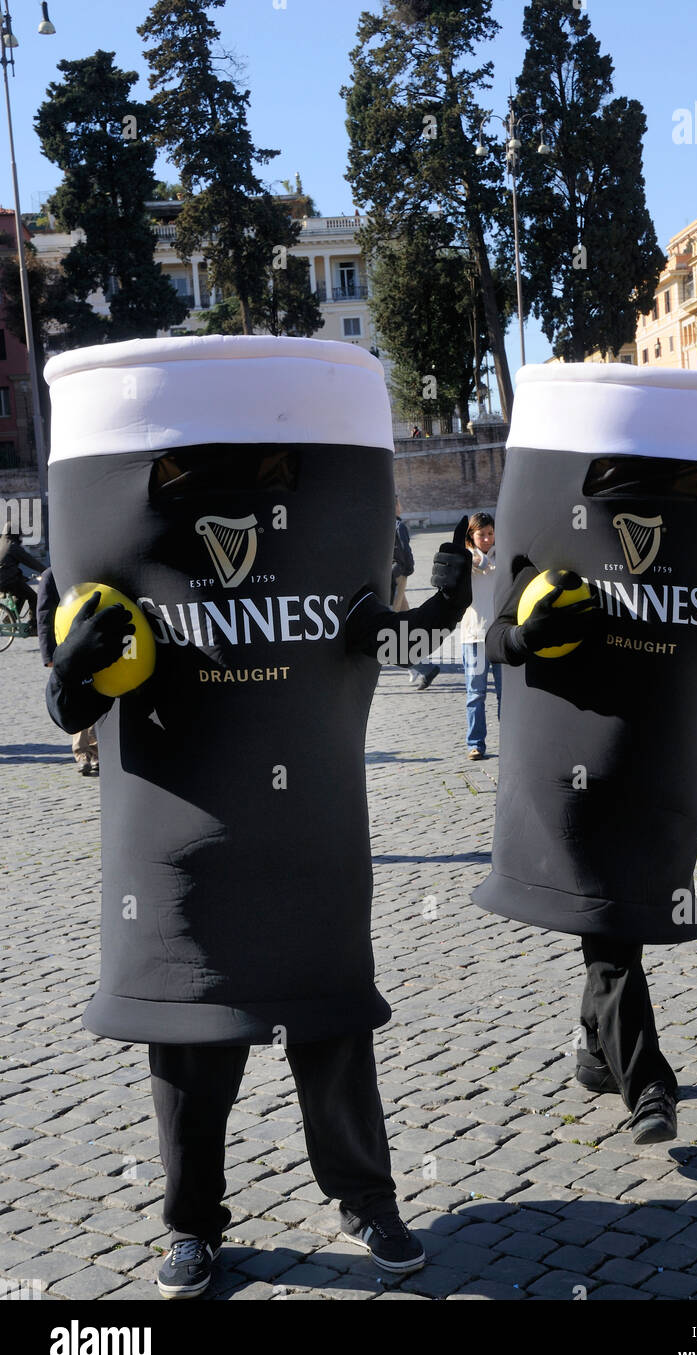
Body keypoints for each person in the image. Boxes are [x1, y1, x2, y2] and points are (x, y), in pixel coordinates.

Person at [43, 336, 472, 1299]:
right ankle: (193, 1225)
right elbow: (68, 705)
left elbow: (381, 642)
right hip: (177, 846)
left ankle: (368, 1200)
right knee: (190, 1047)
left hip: (307, 832)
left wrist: (448, 606)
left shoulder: (323, 545)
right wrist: (69, 675)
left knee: (331, 1028)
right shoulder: (100, 551)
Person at [474, 362, 697, 1147]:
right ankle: (650, 1086)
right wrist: (524, 635)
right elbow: (495, 641)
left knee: (616, 931)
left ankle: (593, 1052)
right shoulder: (553, 536)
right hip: (571, 770)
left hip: (658, 768)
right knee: (610, 942)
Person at [36, 566, 100, 776]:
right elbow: (44, 615)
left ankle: (96, 750)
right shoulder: (51, 575)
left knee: (96, 696)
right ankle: (82, 753)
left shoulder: (88, 566)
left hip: (92, 644)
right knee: (76, 700)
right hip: (66, 650)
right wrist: (48, 656)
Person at [460, 511, 501, 761]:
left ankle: (510, 742)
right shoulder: (465, 559)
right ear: (471, 536)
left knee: (506, 694)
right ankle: (475, 744)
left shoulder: (503, 554)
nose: (486, 539)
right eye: (481, 534)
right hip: (473, 637)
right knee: (475, 694)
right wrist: (474, 557)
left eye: (490, 534)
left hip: (500, 636)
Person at [392, 496, 439, 690]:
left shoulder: (396, 525)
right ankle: (420, 665)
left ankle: (421, 666)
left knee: (391, 627)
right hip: (395, 575)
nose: (401, 507)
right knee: (404, 624)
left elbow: (404, 552)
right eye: (399, 503)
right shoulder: (393, 524)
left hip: (395, 576)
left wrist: (404, 571)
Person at [0, 522, 44, 630]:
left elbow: (6, 565)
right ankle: (33, 627)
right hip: (7, 581)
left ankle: (10, 619)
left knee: (21, 593)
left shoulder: (2, 542)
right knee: (34, 597)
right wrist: (46, 570)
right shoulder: (12, 546)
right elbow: (30, 561)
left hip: (5, 579)